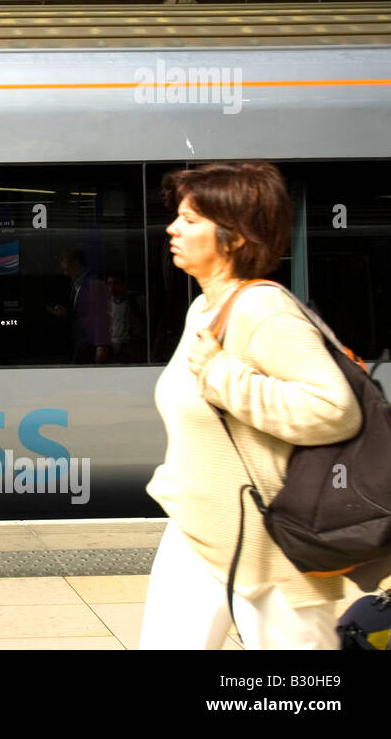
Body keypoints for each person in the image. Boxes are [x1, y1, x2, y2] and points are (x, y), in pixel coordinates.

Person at [139, 161, 361, 650]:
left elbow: (335, 409)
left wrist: (222, 375)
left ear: (235, 236)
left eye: (191, 219)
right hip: (198, 530)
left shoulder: (264, 310)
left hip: (269, 547)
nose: (174, 228)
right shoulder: (204, 308)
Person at [47, 249, 110, 363]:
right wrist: (66, 313)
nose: (62, 265)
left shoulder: (93, 284)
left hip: (89, 345)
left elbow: (100, 316)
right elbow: (82, 315)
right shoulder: (76, 285)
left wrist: (101, 345)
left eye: (64, 261)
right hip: (78, 344)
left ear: (75, 263)